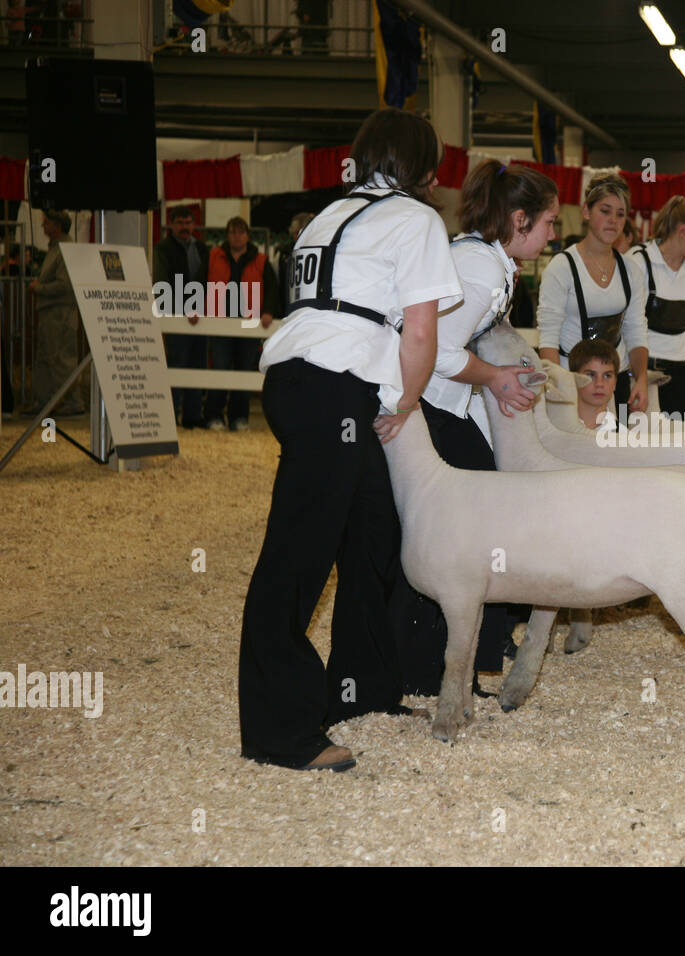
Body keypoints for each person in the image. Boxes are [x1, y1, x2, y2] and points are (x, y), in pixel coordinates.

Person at [239, 108, 462, 773]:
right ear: (422, 169)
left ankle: (361, 688)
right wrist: (406, 401)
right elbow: (420, 333)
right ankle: (280, 731)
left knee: (373, 529)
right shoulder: (417, 219)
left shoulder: (331, 214)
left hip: (301, 378)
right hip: (335, 384)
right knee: (299, 552)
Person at [389, 158, 555, 697]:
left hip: (444, 404)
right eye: (550, 223)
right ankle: (429, 670)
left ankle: (453, 667)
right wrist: (497, 379)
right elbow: (434, 351)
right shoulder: (481, 268)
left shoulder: (490, 261)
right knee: (457, 538)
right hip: (429, 406)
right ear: (520, 219)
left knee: (471, 533)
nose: (554, 233)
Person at [537, 173, 649, 414]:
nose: (613, 221)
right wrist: (560, 389)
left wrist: (641, 379)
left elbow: (636, 330)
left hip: (614, 382)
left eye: (620, 214)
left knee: (615, 449)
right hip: (571, 382)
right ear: (586, 211)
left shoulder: (631, 270)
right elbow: (548, 338)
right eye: (605, 211)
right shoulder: (561, 266)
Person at [627, 196, 685, 415]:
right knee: (635, 446)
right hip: (641, 374)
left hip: (681, 378)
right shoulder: (637, 261)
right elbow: (627, 327)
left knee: (679, 447)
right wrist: (638, 377)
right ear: (683, 231)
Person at [205, 216, 280, 431]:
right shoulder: (214, 256)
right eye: (232, 232)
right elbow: (200, 282)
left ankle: (239, 418)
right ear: (227, 235)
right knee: (219, 369)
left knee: (243, 369)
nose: (237, 236)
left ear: (247, 235)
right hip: (219, 321)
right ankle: (213, 416)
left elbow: (272, 289)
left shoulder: (261, 260)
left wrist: (268, 311)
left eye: (240, 232)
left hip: (249, 324)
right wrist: (194, 305)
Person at [153, 205, 209, 428]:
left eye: (188, 223)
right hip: (176, 315)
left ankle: (193, 417)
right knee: (177, 363)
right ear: (171, 225)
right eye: (180, 223)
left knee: (198, 365)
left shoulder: (203, 248)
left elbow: (209, 281)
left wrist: (203, 308)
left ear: (193, 225)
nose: (184, 227)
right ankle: (172, 416)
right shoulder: (163, 249)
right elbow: (162, 283)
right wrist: (178, 310)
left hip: (201, 316)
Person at [24, 209, 83, 417]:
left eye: (46, 223)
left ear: (57, 226)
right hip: (51, 312)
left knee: (60, 359)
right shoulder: (55, 249)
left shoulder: (65, 250)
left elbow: (64, 285)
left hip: (61, 313)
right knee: (45, 358)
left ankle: (72, 402)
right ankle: (44, 401)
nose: (43, 226)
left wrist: (38, 288)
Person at [568, 337, 621, 429]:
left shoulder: (624, 438)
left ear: (615, 383)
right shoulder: (556, 429)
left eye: (607, 376)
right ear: (574, 379)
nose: (599, 384)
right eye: (590, 375)